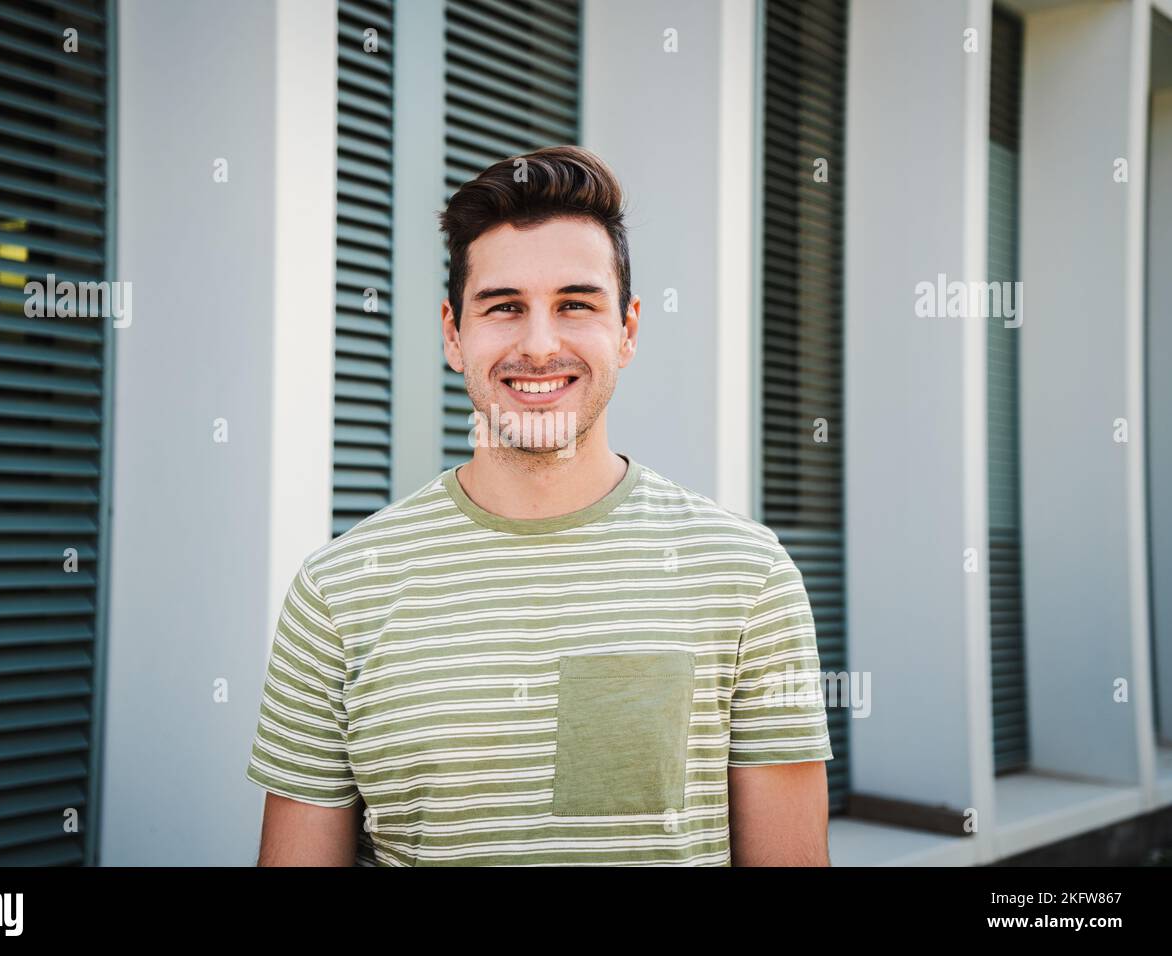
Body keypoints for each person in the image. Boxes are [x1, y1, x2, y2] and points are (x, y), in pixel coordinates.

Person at [246, 145, 834, 866]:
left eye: (575, 305)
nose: (539, 343)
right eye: (504, 307)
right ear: (453, 334)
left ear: (629, 330)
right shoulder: (338, 591)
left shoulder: (748, 577)